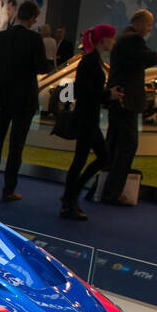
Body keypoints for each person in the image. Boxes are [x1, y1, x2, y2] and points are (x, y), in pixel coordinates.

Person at [102, 9, 157, 205]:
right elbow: (150, 59)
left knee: (114, 144)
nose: (149, 29)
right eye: (149, 25)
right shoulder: (132, 39)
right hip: (126, 101)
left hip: (119, 101)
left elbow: (140, 61)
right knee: (127, 146)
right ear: (140, 23)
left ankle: (103, 188)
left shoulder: (125, 38)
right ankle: (111, 193)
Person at [0, 0, 47, 201]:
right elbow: (42, 68)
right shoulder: (34, 39)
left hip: (0, 98)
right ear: (32, 18)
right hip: (24, 100)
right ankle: (8, 189)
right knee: (16, 146)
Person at [60, 25, 124, 220]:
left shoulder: (92, 59)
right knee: (85, 160)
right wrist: (108, 94)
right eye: (111, 38)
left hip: (88, 118)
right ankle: (69, 200)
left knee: (97, 158)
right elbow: (85, 92)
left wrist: (107, 95)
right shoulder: (91, 60)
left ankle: (70, 197)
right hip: (86, 118)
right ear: (103, 39)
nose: (113, 42)